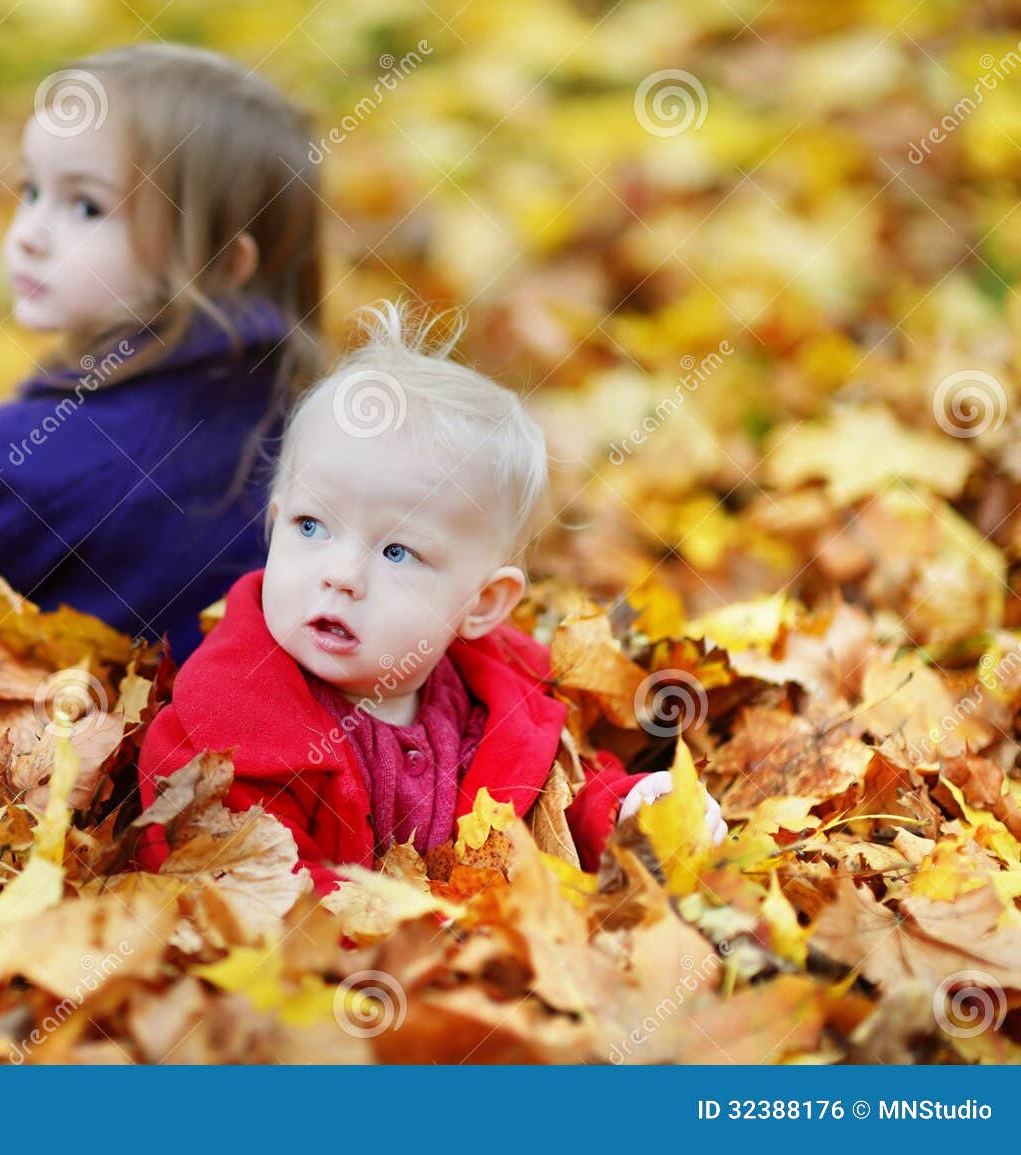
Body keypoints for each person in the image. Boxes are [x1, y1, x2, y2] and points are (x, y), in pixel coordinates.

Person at [136, 300, 726, 893]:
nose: (341, 575)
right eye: (312, 526)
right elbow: (250, 886)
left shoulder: (492, 699)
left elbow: (560, 797)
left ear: (483, 604)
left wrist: (628, 811)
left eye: (397, 552)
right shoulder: (224, 729)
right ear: (275, 522)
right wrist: (429, 929)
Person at [0, 43, 323, 674]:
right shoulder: (297, 412)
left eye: (86, 206)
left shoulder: (52, 450)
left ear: (223, 265)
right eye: (30, 190)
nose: (31, 233)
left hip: (39, 732)